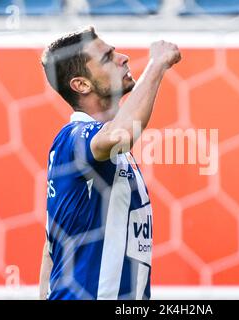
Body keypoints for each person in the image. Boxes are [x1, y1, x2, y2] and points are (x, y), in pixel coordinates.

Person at [38, 26, 181, 300]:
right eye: (107, 57)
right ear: (81, 85)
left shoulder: (111, 154)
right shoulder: (74, 138)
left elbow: (52, 244)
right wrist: (157, 64)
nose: (124, 58)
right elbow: (122, 133)